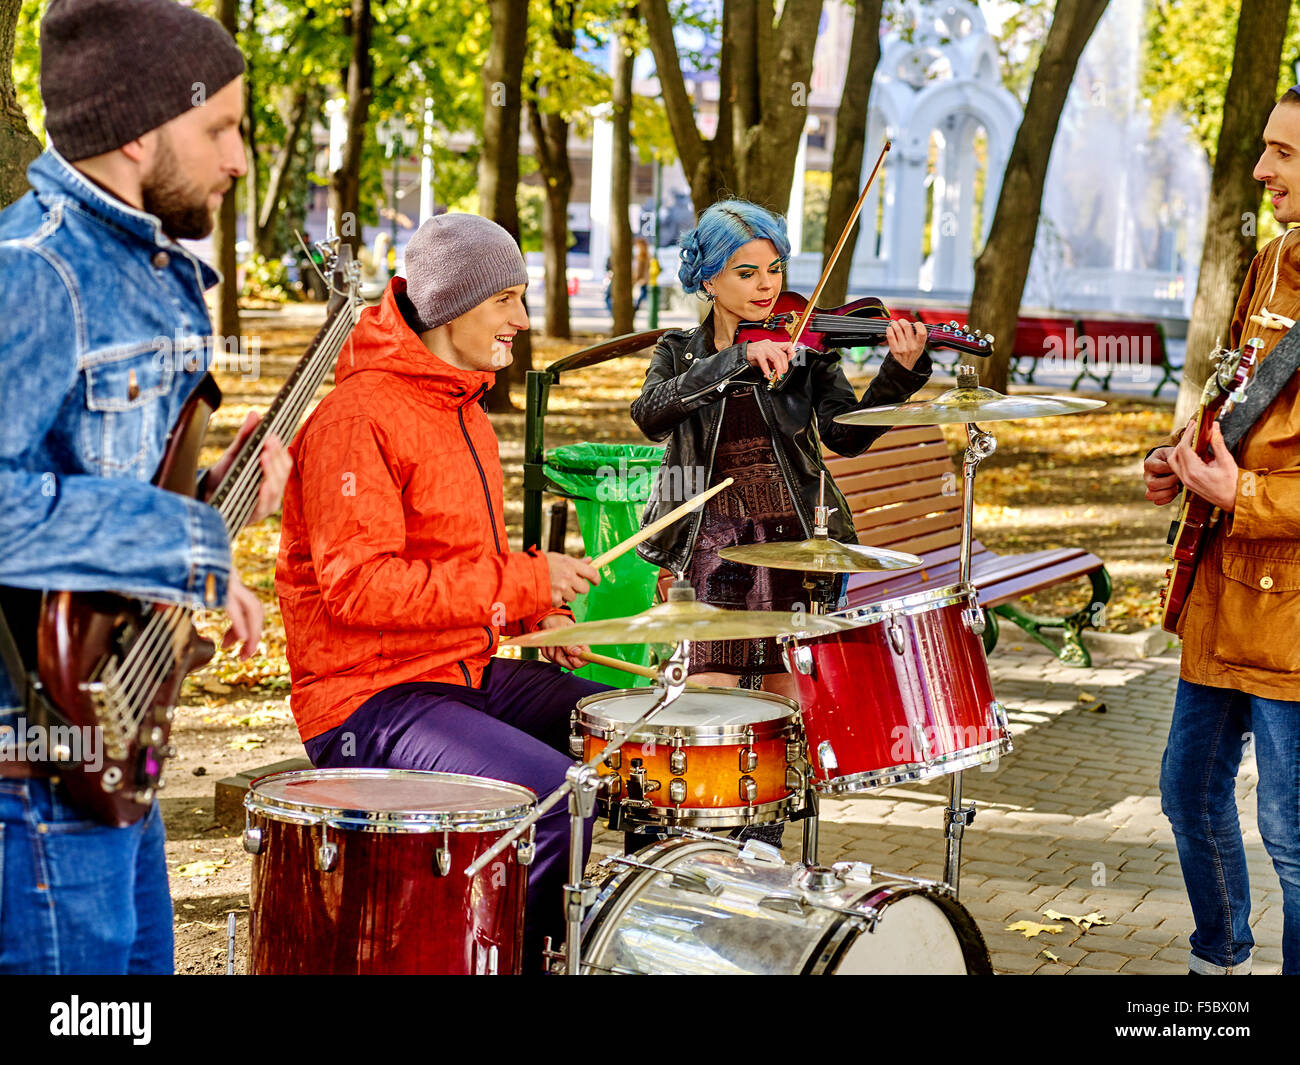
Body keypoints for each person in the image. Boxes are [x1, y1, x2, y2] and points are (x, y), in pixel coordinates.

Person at [0, 0, 288, 974]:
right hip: (34, 775)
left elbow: (103, 483)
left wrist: (223, 490)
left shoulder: (154, 268)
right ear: (136, 132)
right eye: (220, 128)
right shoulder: (36, 273)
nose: (240, 157)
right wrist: (188, 545)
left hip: (118, 732)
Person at [275, 213, 605, 971]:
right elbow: (360, 588)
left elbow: (458, 561)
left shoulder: (464, 406)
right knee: (551, 802)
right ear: (454, 306)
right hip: (369, 698)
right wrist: (524, 576)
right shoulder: (357, 418)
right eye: (507, 301)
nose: (523, 319)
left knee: (622, 739)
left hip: (459, 671)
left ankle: (564, 948)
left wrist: (536, 611)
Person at [630, 199, 931, 700]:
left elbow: (845, 437)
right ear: (708, 280)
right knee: (709, 692)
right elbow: (651, 416)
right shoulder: (679, 351)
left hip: (795, 542)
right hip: (709, 545)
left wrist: (897, 375)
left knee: (786, 696)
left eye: (774, 269)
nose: (767, 285)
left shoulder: (806, 353)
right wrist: (736, 358)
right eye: (746, 273)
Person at [1144, 88, 1300, 976]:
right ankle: (1219, 965)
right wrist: (1181, 454)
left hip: (1292, 609)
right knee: (1188, 790)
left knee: (1292, 833)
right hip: (1222, 582)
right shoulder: (1273, 259)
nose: (1259, 169)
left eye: (1282, 152)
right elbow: (1233, 392)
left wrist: (1246, 494)